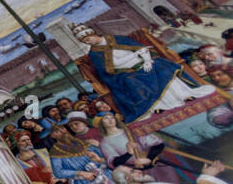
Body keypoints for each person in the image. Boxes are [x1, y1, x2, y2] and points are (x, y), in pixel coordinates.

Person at [74, 23, 215, 123]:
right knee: (131, 81)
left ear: (93, 33)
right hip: (121, 73)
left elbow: (142, 49)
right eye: (85, 41)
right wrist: (134, 58)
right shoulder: (94, 53)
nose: (88, 41)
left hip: (144, 61)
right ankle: (157, 107)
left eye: (88, 38)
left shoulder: (115, 38)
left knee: (161, 67)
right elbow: (111, 68)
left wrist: (147, 61)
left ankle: (184, 95)